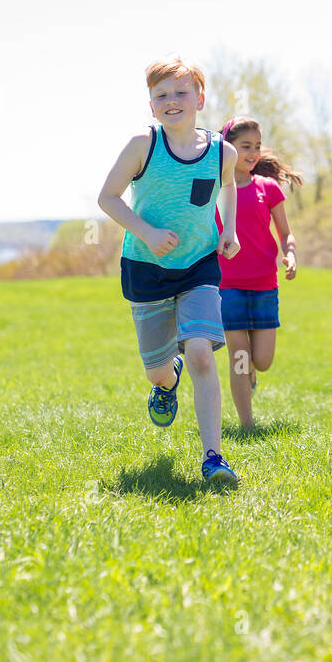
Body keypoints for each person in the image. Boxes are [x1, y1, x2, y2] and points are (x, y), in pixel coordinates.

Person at [97, 56, 241, 486]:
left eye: (180, 92)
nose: (172, 101)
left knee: (200, 351)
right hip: (147, 267)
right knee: (158, 368)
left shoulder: (222, 151)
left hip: (199, 264)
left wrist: (228, 229)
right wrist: (146, 231)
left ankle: (214, 458)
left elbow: (229, 185)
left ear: (200, 97)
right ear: (151, 105)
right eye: (162, 95)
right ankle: (165, 381)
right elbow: (108, 197)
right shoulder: (143, 144)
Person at [216, 115, 302, 430]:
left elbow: (286, 233)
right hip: (227, 286)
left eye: (257, 147)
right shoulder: (213, 190)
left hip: (265, 284)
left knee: (262, 361)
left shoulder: (268, 188)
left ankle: (252, 372)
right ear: (227, 149)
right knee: (239, 355)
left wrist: (290, 254)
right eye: (245, 147)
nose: (253, 154)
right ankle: (247, 424)